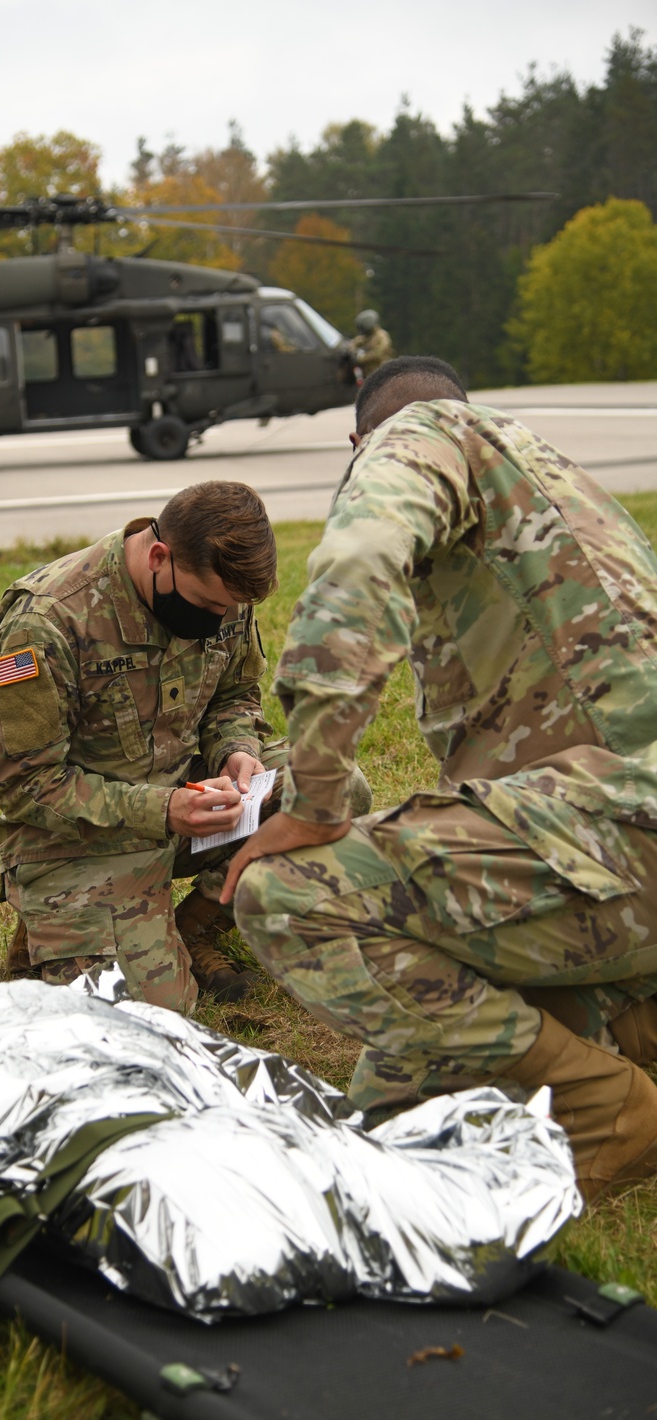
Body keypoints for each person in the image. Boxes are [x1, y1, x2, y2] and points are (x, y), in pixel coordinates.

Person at [223, 354, 657, 1203]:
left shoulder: (417, 436)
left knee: (287, 894)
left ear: (358, 443)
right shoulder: (555, 480)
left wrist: (312, 806)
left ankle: (604, 1106)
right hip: (614, 868)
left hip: (620, 839)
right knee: (389, 1098)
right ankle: (625, 1034)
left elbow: (355, 572)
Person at [0, 481, 372, 1012]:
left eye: (231, 608)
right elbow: (26, 787)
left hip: (189, 802)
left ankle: (192, 929)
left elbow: (233, 695)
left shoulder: (220, 591)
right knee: (157, 1021)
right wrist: (165, 810)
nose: (219, 619)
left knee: (336, 788)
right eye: (209, 604)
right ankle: (62, 931)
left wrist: (234, 750)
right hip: (82, 841)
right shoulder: (49, 621)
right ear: (160, 557)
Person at [348, 309, 393, 380]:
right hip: (367, 373)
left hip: (381, 371)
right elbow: (353, 343)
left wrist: (361, 358)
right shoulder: (366, 336)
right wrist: (353, 351)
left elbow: (378, 353)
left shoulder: (382, 336)